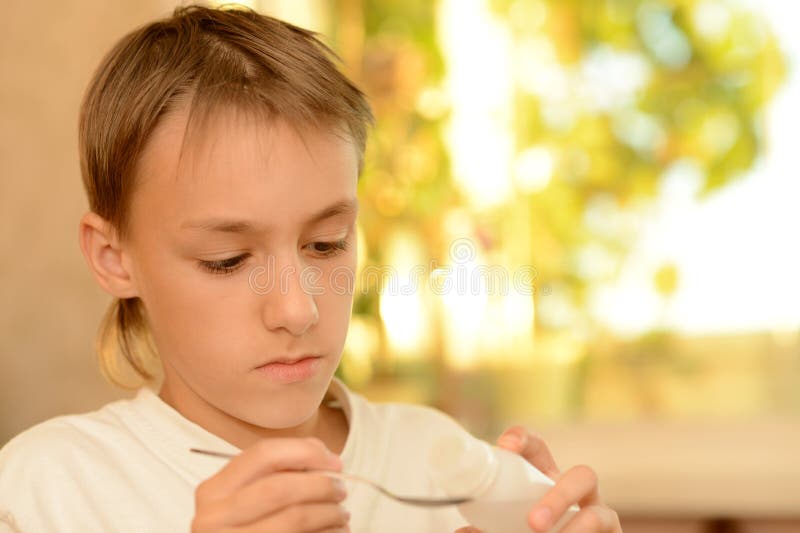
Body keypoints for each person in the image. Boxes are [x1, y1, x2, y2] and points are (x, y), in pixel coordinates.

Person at [0, 5, 621, 532]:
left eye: (326, 244)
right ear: (114, 259)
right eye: (228, 259)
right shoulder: (46, 489)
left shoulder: (436, 465)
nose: (298, 309)